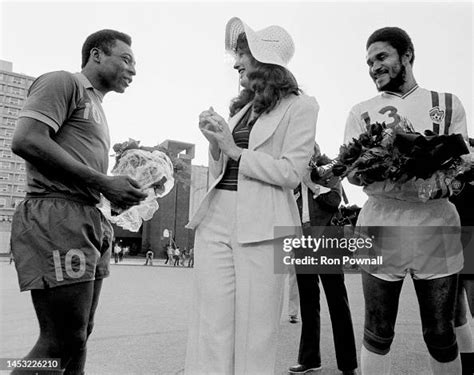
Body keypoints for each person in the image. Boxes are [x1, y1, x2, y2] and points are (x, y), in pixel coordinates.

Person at [184, 17, 318, 374]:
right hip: (216, 218)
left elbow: (291, 173)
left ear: (263, 60)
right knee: (212, 324)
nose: (236, 62)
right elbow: (220, 169)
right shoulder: (241, 108)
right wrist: (214, 144)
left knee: (255, 331)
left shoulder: (301, 107)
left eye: (242, 53)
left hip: (264, 224)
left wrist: (236, 150)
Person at [10, 29, 147, 375]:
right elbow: (26, 139)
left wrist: (116, 194)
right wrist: (102, 182)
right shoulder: (63, 83)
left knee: (79, 335)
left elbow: (80, 167)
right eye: (126, 59)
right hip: (57, 214)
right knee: (59, 338)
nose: (133, 70)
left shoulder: (97, 107)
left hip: (87, 218)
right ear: (97, 55)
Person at [344, 27, 468, 374]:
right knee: (378, 331)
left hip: (435, 223)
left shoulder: (446, 103)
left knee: (440, 333)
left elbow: (462, 167)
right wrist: (376, 166)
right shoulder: (361, 112)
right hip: (381, 222)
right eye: (369, 62)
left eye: (381, 57)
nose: (373, 67)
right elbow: (352, 174)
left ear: (407, 55)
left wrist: (441, 175)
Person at [289, 143, 357, 375]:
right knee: (308, 302)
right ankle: (309, 360)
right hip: (302, 239)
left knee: (337, 301)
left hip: (327, 237)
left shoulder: (328, 167)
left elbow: (334, 200)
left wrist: (311, 183)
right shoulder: (292, 170)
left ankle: (348, 364)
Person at [451, 138, 474, 374]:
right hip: (447, 239)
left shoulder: (469, 147)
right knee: (456, 312)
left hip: (471, 237)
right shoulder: (439, 156)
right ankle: (468, 365)